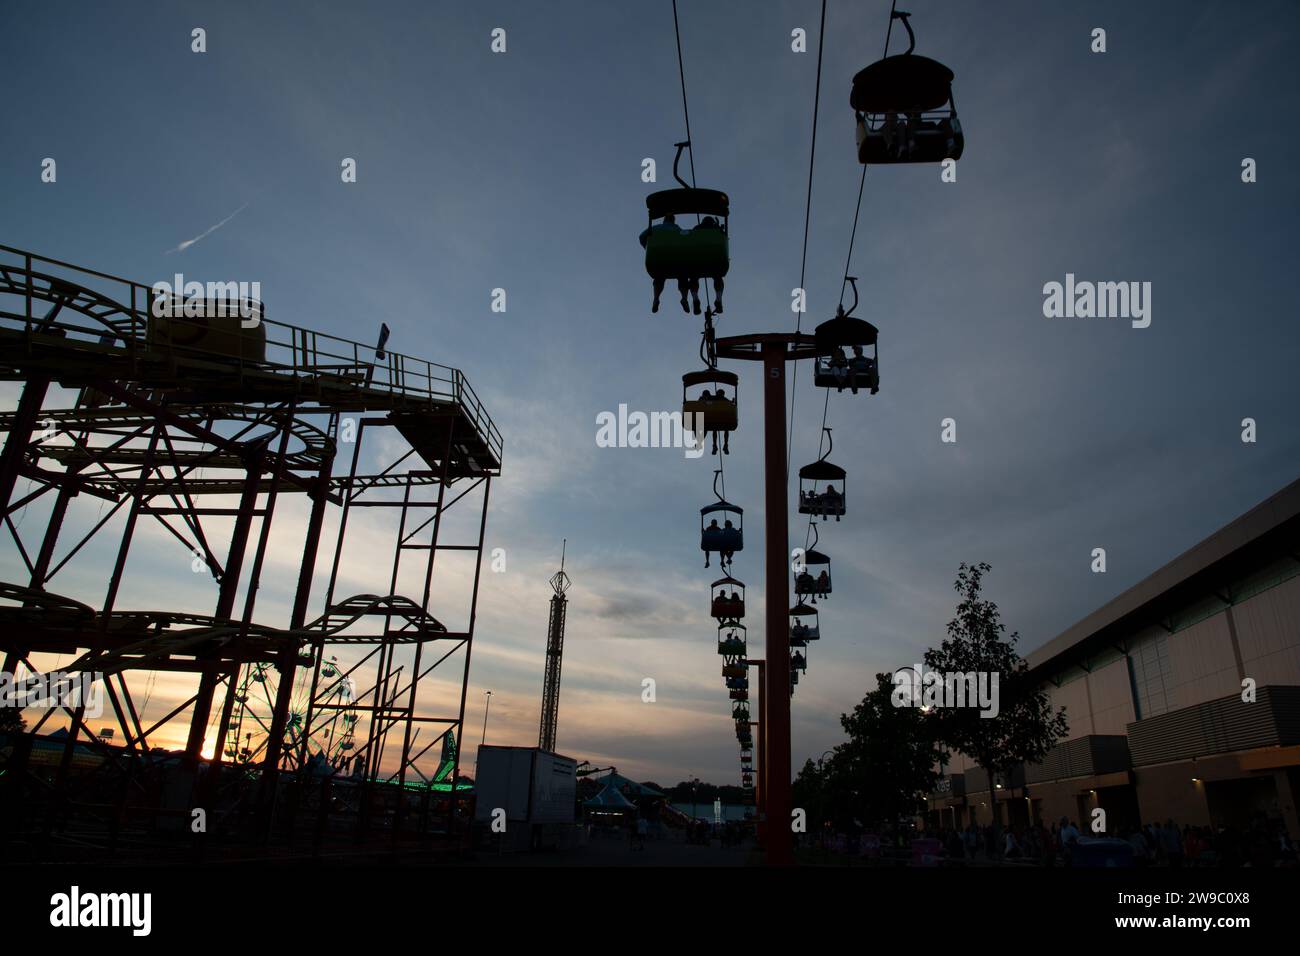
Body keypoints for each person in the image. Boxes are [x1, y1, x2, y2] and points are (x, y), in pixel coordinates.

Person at [639, 214, 685, 313]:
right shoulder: (677, 229)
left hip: (658, 258)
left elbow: (641, 236)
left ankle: (656, 298)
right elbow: (685, 241)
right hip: (675, 260)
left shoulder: (656, 228)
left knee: (659, 277)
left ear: (664, 220)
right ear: (673, 221)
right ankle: (684, 297)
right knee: (683, 275)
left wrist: (648, 248)